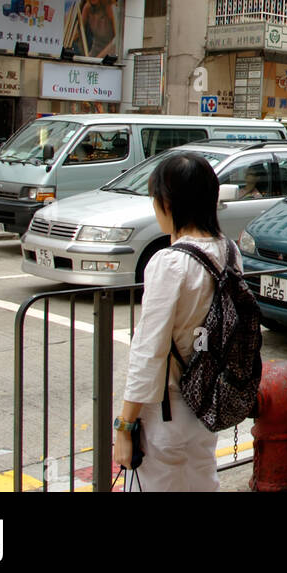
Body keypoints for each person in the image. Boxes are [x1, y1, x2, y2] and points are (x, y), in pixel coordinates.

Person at [113, 153, 243, 491]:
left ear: (169, 203)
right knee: (201, 481)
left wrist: (125, 426)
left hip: (165, 411)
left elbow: (149, 350)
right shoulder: (229, 251)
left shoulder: (169, 263)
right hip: (206, 402)